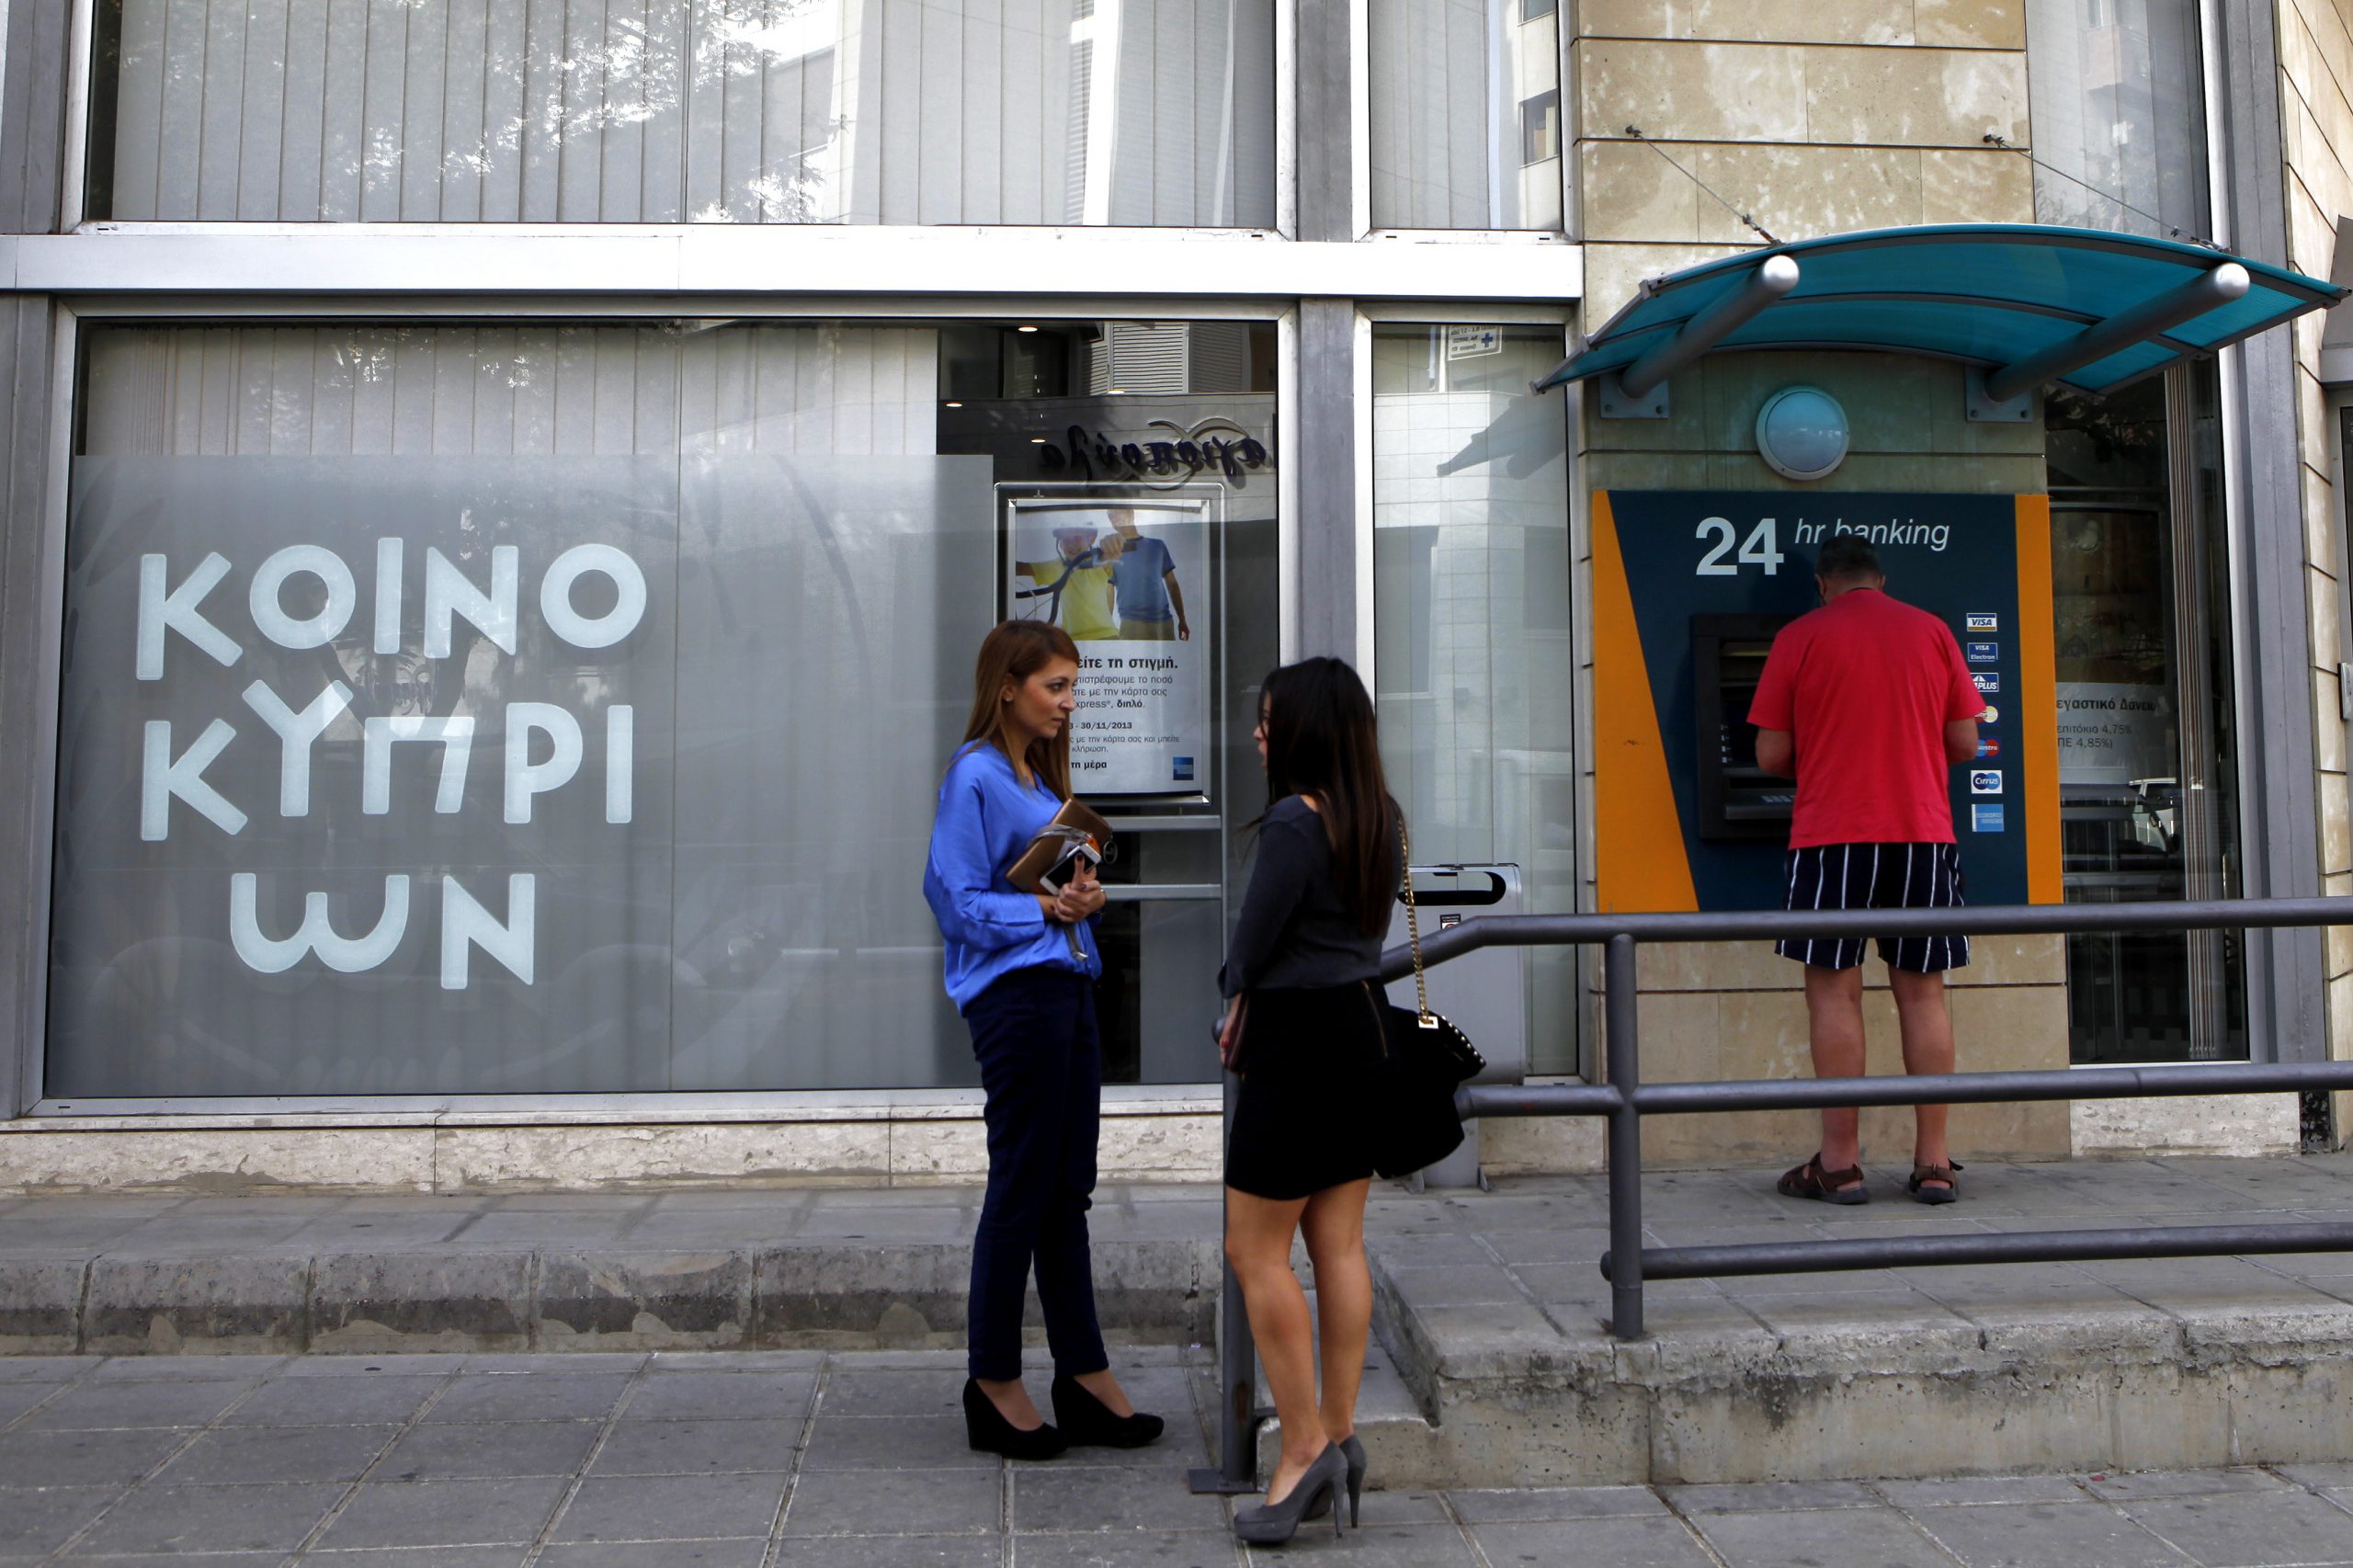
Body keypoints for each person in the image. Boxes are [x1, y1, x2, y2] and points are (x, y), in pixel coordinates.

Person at [923, 620, 1164, 1459]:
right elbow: (952, 901)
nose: (1069, 701)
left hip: (1066, 988)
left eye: (1072, 686)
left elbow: (1041, 897)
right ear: (1007, 689)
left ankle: (1083, 1375)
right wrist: (1043, 908)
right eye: (1055, 686)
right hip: (1018, 1000)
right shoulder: (976, 776)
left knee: (1067, 1190)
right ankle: (992, 1380)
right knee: (1023, 1186)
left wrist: (1080, 901)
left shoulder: (1033, 775)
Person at [1214, 656, 1398, 1545]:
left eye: (1269, 718)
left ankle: (1302, 1449)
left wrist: (1233, 987)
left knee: (1254, 1250)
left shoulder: (1294, 821)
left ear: (1308, 729)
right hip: (1361, 1030)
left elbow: (1250, 947)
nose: (1259, 732)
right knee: (1340, 1244)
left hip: (1298, 1042)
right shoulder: (1379, 817)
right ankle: (1342, 1428)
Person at [1748, 535, 1985, 1207]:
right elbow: (1965, 741)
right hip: (1921, 835)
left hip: (1832, 839)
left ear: (1823, 583)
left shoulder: (1800, 636)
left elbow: (1769, 755)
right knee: (1923, 994)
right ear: (1880, 580)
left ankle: (1841, 1164)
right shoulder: (1932, 631)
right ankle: (1934, 1164)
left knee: (1834, 995)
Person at [1017, 528, 1121, 642]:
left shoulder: (1098, 561)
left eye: (1077, 538)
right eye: (1066, 540)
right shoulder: (1056, 567)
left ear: (1091, 539)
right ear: (1060, 545)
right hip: (1072, 640)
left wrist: (1114, 542)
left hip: (1106, 635)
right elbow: (1021, 568)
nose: (1071, 544)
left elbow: (1112, 556)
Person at [1106, 506, 1191, 642]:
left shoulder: (1157, 545)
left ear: (1131, 513)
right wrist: (1107, 627)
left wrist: (1182, 620)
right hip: (1131, 625)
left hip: (1164, 623)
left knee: (1166, 662)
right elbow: (1108, 590)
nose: (1115, 518)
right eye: (1111, 516)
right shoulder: (1110, 553)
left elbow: (1172, 584)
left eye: (1118, 512)